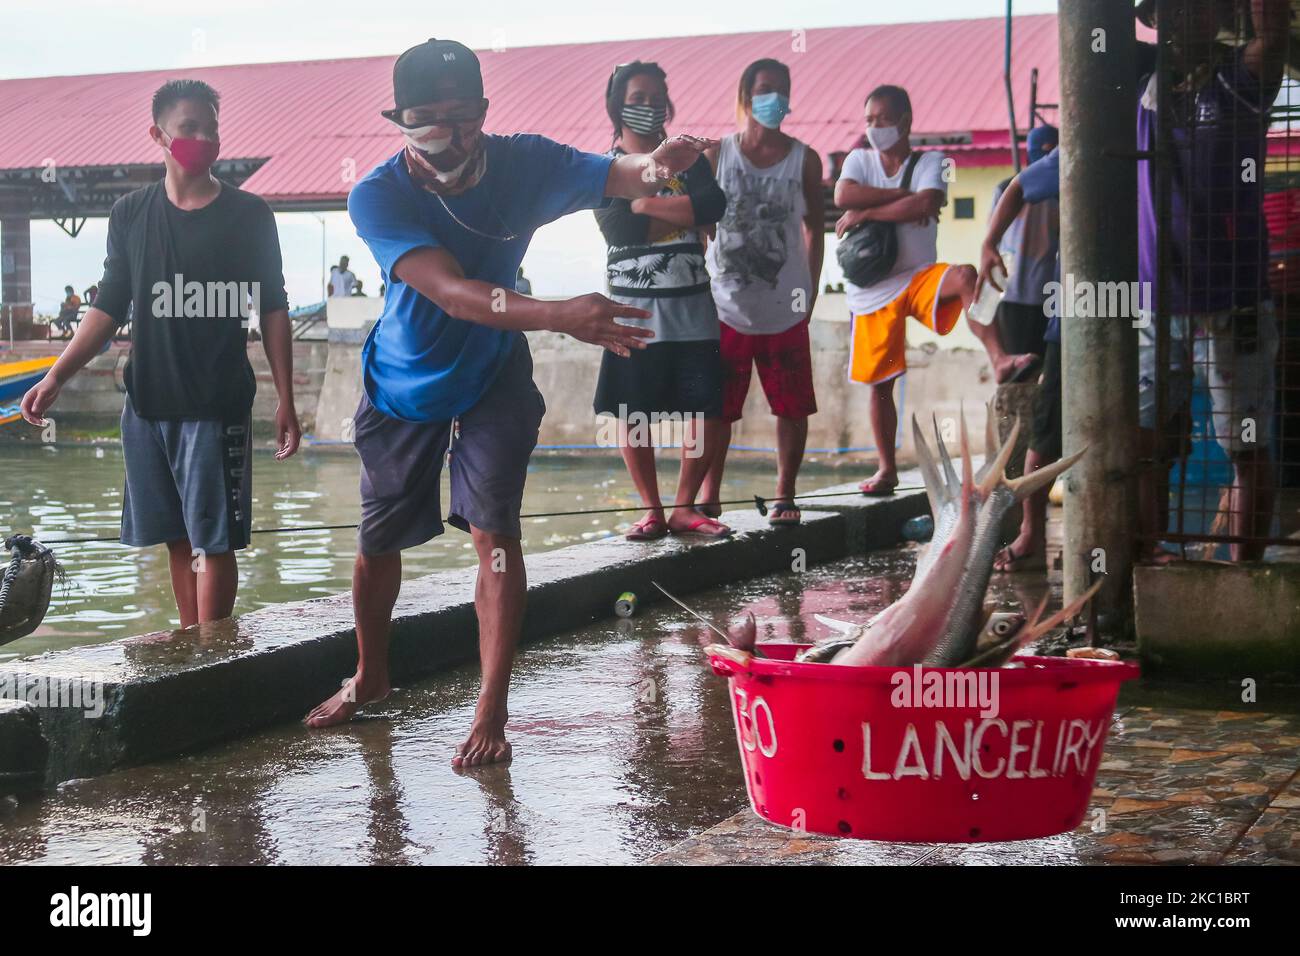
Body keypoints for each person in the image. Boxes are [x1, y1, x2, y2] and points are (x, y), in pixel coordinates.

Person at [302, 39, 716, 768]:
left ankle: (492, 705)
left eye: (461, 116)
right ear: (399, 119)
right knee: (380, 540)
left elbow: (616, 174)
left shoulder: (526, 162)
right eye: (425, 118)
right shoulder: (378, 194)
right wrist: (561, 313)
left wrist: (661, 163)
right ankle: (371, 674)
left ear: (484, 114)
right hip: (407, 376)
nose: (446, 134)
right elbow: (454, 293)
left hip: (494, 372)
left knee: (496, 536)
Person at [20, 79, 300, 626]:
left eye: (211, 130)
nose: (203, 139)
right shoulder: (130, 214)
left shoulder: (248, 214)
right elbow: (107, 307)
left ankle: (211, 663)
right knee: (176, 537)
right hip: (145, 405)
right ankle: (190, 643)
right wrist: (56, 378)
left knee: (213, 542)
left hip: (215, 404)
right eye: (189, 129)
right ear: (158, 135)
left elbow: (273, 308)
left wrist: (286, 399)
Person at [1134, 0, 1287, 562]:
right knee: (1144, 440)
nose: (1183, 19)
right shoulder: (1142, 85)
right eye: (1171, 10)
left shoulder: (1239, 80)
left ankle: (1246, 570)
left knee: (1245, 443)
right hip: (1155, 295)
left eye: (1196, 8)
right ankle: (1148, 557)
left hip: (1234, 293)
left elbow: (1271, 35)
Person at [835, 84, 1039, 497]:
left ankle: (998, 359)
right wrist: (901, 196)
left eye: (884, 119)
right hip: (871, 288)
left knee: (965, 277)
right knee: (881, 385)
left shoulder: (935, 161)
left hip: (918, 275)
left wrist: (870, 210)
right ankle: (886, 469)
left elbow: (926, 203)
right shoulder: (858, 158)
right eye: (869, 120)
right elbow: (843, 195)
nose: (875, 127)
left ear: (906, 121)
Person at [593, 61, 731, 540]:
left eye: (656, 98)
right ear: (617, 103)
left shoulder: (689, 159)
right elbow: (619, 230)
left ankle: (684, 507)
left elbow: (714, 206)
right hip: (633, 310)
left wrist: (646, 204)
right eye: (637, 96)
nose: (648, 106)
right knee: (633, 412)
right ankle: (651, 509)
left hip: (694, 307)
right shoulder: (606, 167)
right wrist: (683, 215)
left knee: (706, 410)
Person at [700, 58, 824, 526]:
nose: (773, 98)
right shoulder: (718, 155)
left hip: (784, 307)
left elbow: (815, 226)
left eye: (781, 90)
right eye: (765, 89)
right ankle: (709, 496)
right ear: (746, 96)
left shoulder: (804, 159)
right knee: (717, 410)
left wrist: (808, 291)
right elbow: (699, 223)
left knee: (791, 407)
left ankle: (784, 494)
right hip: (724, 306)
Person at [979, 143, 1063, 573]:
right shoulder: (1041, 174)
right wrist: (989, 244)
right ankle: (1025, 531)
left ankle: (1030, 531)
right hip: (1030, 303)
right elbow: (978, 307)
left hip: (1059, 301)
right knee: (1036, 424)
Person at [990, 125, 1058, 359]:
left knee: (1027, 365)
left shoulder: (1008, 188)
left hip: (1029, 291)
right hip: (1022, 291)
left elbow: (992, 237)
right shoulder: (1009, 189)